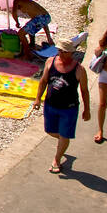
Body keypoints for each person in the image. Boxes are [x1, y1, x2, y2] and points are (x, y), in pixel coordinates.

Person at [31, 37, 90, 174]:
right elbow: (44, 81)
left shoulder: (79, 69)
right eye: (59, 51)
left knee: (64, 135)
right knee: (49, 130)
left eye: (64, 52)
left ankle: (57, 159)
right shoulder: (50, 62)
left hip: (69, 108)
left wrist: (87, 109)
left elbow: (84, 91)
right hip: (51, 104)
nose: (61, 54)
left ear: (71, 53)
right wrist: (37, 99)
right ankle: (64, 140)